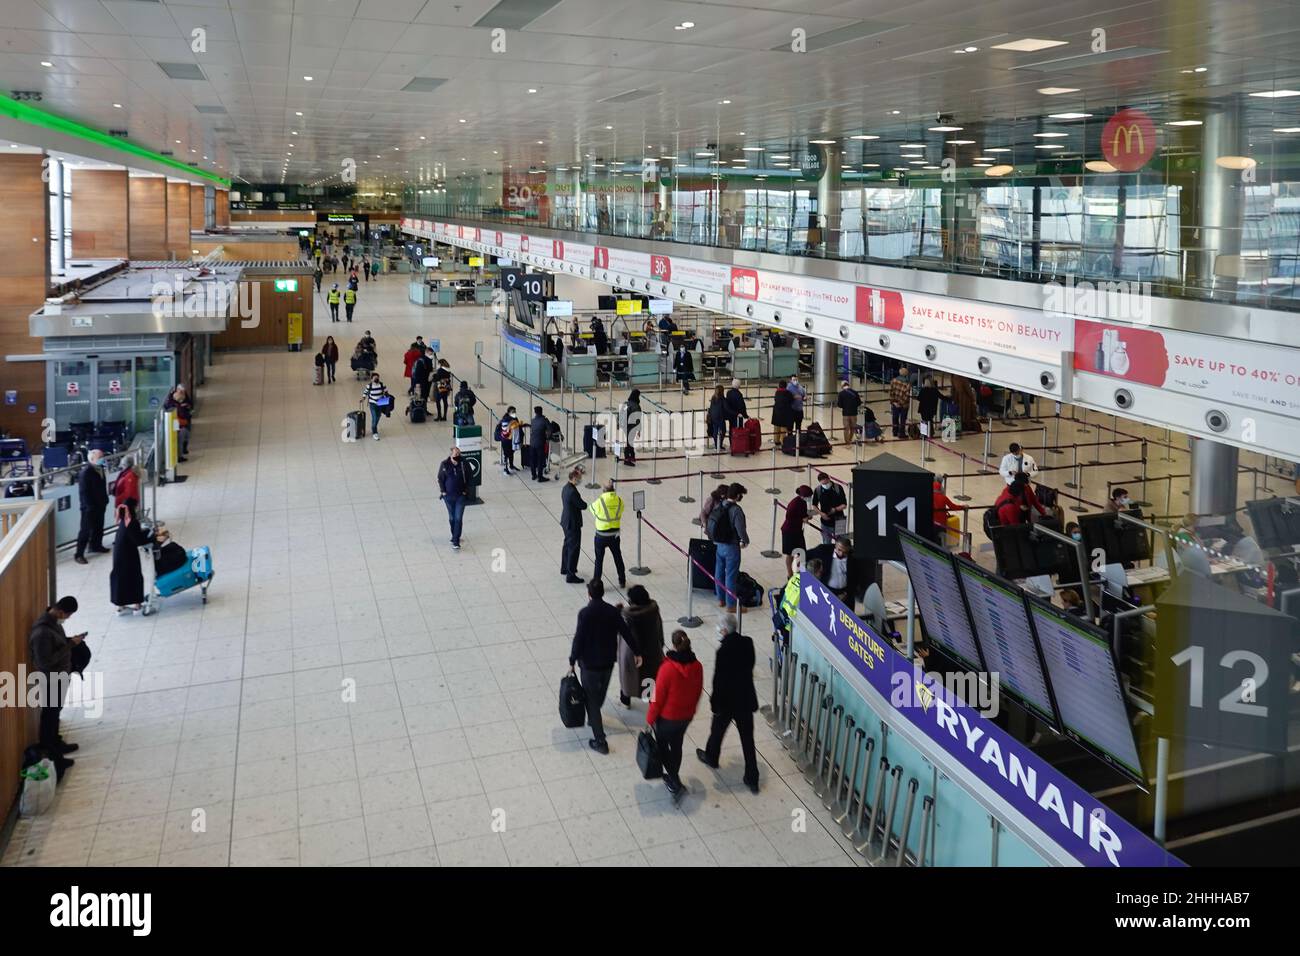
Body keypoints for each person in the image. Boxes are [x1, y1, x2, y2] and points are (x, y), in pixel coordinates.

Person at [568, 578, 637, 755]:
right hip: (607, 662)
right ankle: (594, 716)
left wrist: (572, 660)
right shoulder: (612, 612)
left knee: (591, 700)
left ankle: (600, 740)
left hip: (589, 664)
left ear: (589, 593)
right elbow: (625, 632)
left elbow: (579, 638)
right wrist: (637, 652)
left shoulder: (585, 613)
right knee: (599, 694)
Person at [697, 613, 760, 793]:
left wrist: (714, 702)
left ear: (724, 630)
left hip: (727, 702)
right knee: (747, 739)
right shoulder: (748, 642)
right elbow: (750, 665)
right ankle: (752, 777)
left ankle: (711, 756)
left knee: (717, 731)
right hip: (745, 700)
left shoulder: (723, 651)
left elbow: (719, 681)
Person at [29, 596, 85, 774]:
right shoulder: (42, 633)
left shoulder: (53, 623)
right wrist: (70, 644)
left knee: (55, 713)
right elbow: (45, 662)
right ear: (61, 611)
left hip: (59, 676)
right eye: (67, 616)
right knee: (50, 716)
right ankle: (52, 755)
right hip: (51, 679)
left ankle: (56, 743)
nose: (66, 619)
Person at [646, 630, 703, 799]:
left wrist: (650, 719)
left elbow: (657, 698)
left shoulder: (667, 668)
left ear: (673, 645)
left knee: (663, 747)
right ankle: (673, 775)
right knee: (677, 745)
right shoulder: (697, 666)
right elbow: (698, 690)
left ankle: (673, 779)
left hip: (666, 719)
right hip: (685, 717)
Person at [708, 483, 750, 613]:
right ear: (737, 496)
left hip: (719, 544)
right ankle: (731, 605)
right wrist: (746, 541)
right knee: (731, 575)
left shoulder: (720, 504)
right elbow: (740, 529)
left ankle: (721, 599)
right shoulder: (736, 510)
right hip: (731, 546)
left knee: (719, 571)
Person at [620, 585, 664, 707]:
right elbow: (659, 628)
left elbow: (621, 632)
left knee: (628, 677)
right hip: (652, 650)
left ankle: (625, 700)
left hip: (632, 653)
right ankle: (649, 701)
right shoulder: (653, 611)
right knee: (649, 676)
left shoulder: (628, 616)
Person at [109, 501, 151, 614]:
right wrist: (151, 536)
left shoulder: (124, 521)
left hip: (120, 555)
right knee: (134, 577)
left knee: (121, 579)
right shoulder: (132, 522)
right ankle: (137, 605)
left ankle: (121, 605)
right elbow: (138, 541)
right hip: (128, 556)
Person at [74, 449, 110, 565]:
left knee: (99, 526)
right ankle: (79, 554)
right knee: (85, 530)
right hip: (89, 507)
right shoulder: (86, 473)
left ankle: (96, 545)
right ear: (93, 459)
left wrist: (105, 499)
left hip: (100, 504)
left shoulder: (100, 469)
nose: (102, 458)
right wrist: (89, 506)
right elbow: (84, 492)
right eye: (100, 457)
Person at [589, 478, 627, 588]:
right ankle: (622, 580)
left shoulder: (599, 502)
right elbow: (622, 510)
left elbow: (592, 510)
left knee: (599, 560)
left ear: (604, 490)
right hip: (614, 535)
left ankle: (596, 583)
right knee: (618, 557)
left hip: (601, 535)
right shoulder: (619, 500)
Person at [807, 536, 862, 604]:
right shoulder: (824, 550)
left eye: (845, 552)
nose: (841, 554)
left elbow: (856, 577)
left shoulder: (854, 558)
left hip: (846, 594)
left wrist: (847, 593)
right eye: (839, 550)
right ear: (835, 545)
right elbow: (805, 554)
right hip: (826, 592)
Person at [436, 446, 469, 550]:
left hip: (460, 496)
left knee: (458, 518)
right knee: (452, 518)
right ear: (451, 455)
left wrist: (465, 491)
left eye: (459, 454)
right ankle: (454, 534)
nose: (458, 456)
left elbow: (469, 476)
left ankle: (456, 540)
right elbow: (440, 478)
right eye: (456, 454)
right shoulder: (445, 464)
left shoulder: (463, 463)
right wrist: (443, 492)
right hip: (448, 497)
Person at [560, 468, 587, 583]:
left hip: (565, 521)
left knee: (567, 545)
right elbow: (582, 505)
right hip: (573, 523)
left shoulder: (565, 488)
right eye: (579, 478)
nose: (580, 480)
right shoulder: (572, 492)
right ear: (574, 478)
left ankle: (565, 568)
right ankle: (571, 574)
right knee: (573, 548)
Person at [781, 485, 814, 578]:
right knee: (790, 554)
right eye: (808, 496)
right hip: (789, 532)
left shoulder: (802, 502)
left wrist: (806, 516)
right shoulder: (794, 503)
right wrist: (803, 519)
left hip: (798, 531)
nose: (809, 498)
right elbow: (789, 518)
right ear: (803, 496)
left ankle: (802, 572)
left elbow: (802, 514)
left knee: (802, 552)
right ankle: (790, 574)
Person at [810, 472, 848, 544]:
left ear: (829, 479)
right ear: (820, 482)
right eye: (823, 484)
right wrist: (821, 514)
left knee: (841, 543)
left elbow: (844, 505)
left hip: (839, 520)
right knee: (826, 543)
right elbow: (814, 505)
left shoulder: (838, 488)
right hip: (825, 522)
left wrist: (835, 509)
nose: (825, 485)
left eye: (827, 482)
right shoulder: (818, 490)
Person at [164, 385, 192, 460]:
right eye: (181, 392)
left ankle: (183, 450)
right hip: (179, 424)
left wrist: (187, 406)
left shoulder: (183, 397)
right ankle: (179, 456)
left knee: (186, 436)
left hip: (183, 423)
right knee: (180, 439)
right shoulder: (172, 403)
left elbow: (190, 404)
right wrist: (183, 407)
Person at [361, 372, 390, 441]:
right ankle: (375, 432)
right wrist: (363, 398)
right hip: (372, 403)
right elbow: (365, 392)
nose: (376, 379)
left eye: (377, 378)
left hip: (380, 403)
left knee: (378, 416)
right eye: (375, 378)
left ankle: (374, 426)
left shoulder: (382, 385)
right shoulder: (369, 386)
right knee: (374, 417)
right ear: (371, 379)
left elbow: (386, 392)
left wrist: (387, 398)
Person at [889, 365, 911, 439]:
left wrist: (893, 402)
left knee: (895, 417)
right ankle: (901, 433)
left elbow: (891, 392)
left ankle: (895, 431)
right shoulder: (907, 384)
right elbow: (906, 395)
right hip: (904, 405)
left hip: (895, 403)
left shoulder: (893, 380)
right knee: (903, 419)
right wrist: (900, 403)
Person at [836, 380, 861, 445]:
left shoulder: (841, 394)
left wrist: (845, 405)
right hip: (854, 413)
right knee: (852, 427)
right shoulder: (855, 392)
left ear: (842, 386)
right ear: (848, 385)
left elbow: (839, 405)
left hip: (846, 413)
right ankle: (850, 439)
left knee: (846, 428)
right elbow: (859, 403)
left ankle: (847, 442)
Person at [529, 406, 550, 482]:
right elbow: (550, 429)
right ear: (541, 411)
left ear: (535, 412)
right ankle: (540, 477)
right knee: (540, 460)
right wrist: (547, 437)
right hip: (540, 443)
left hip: (532, 443)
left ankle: (533, 475)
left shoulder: (533, 420)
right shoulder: (544, 420)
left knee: (532, 459)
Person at [771, 381, 794, 448]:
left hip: (776, 412)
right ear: (786, 386)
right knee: (783, 428)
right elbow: (791, 400)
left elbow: (775, 399)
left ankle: (776, 441)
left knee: (776, 427)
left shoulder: (777, 392)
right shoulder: (788, 393)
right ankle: (782, 442)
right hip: (784, 413)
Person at [497, 406, 519, 475]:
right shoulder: (505, 419)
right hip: (505, 439)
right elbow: (505, 430)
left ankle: (511, 465)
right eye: (513, 412)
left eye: (515, 411)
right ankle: (505, 468)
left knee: (511, 452)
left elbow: (517, 426)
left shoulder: (515, 418)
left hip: (512, 439)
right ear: (509, 412)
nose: (514, 413)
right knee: (506, 453)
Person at [623, 389, 641, 465]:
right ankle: (627, 459)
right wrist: (639, 430)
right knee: (629, 442)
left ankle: (632, 456)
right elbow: (638, 419)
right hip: (631, 426)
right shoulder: (637, 406)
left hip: (624, 425)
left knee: (629, 441)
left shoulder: (626, 404)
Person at [707, 385, 728, 451]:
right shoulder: (722, 399)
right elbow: (727, 408)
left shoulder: (713, 398)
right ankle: (719, 445)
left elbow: (711, 408)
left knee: (715, 431)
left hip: (713, 417)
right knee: (723, 431)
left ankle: (716, 445)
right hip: (720, 417)